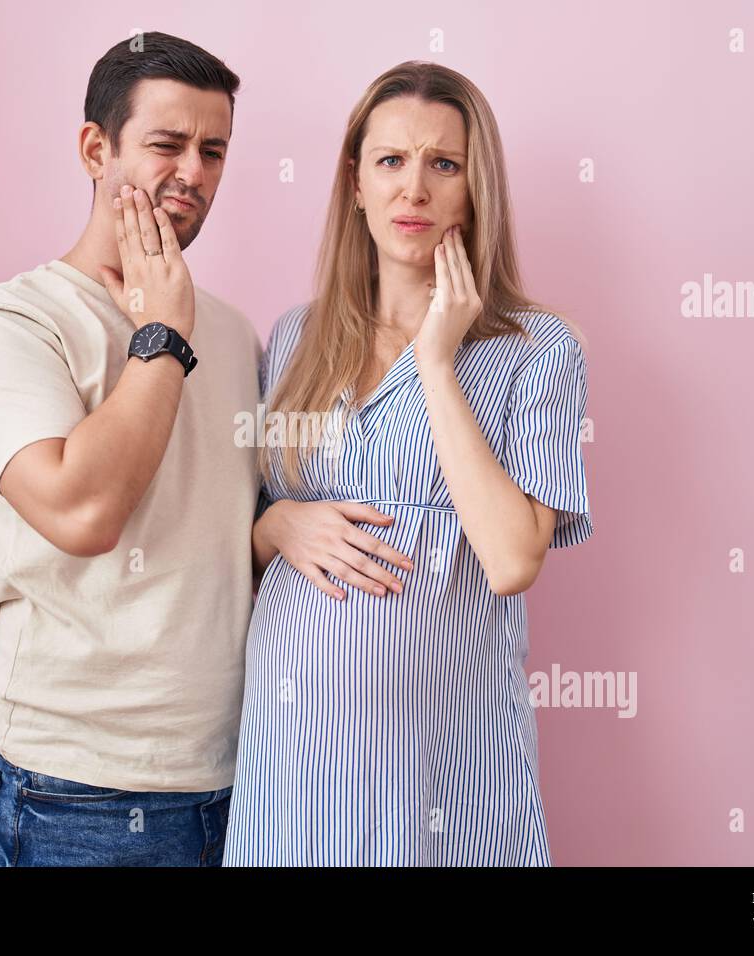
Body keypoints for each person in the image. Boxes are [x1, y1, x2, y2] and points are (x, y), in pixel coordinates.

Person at [224, 61, 595, 866]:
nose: (414, 189)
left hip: (435, 769)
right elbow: (237, 536)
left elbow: (510, 558)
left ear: (474, 189)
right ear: (355, 184)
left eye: (444, 164)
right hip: (289, 763)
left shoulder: (537, 351)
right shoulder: (294, 338)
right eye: (390, 161)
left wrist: (435, 360)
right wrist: (277, 523)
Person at [0, 32, 261, 866]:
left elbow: (229, 535)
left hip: (246, 774)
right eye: (166, 144)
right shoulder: (11, 324)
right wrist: (160, 336)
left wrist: (286, 527)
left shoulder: (232, 333)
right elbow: (82, 511)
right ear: (96, 147)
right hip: (77, 795)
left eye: (214, 150)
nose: (192, 171)